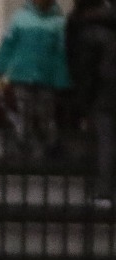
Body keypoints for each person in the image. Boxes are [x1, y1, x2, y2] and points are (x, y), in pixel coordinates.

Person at [0, 0, 73, 157]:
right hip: (23, 75)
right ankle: (23, 145)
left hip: (45, 77)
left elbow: (61, 53)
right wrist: (0, 66)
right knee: (24, 112)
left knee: (46, 113)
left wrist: (61, 78)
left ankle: (49, 145)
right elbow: (8, 43)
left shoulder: (58, 22)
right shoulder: (20, 18)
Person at [72, 0, 116, 207]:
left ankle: (104, 192)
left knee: (106, 141)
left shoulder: (89, 29)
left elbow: (85, 71)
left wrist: (82, 102)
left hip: (105, 91)